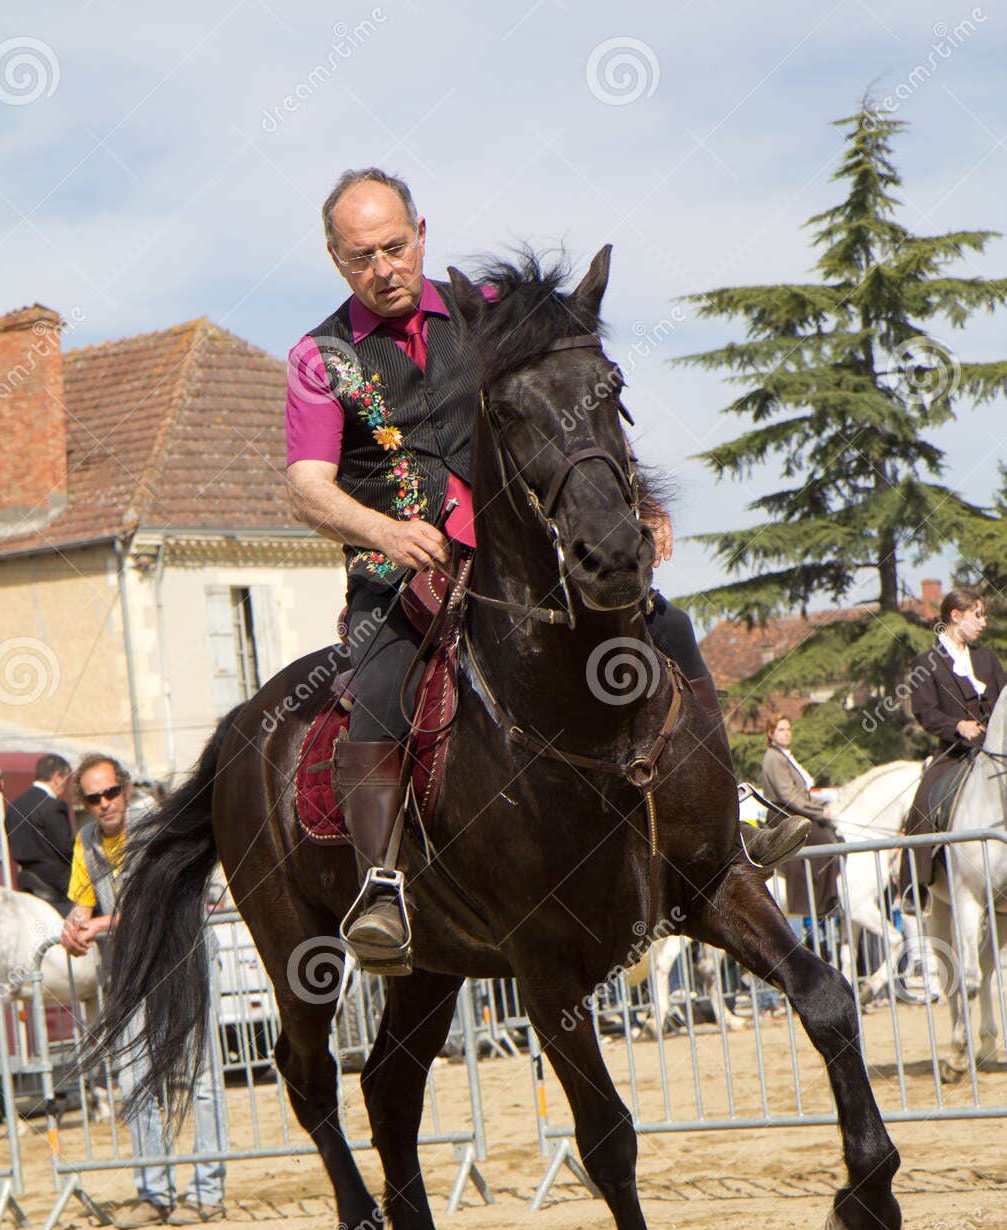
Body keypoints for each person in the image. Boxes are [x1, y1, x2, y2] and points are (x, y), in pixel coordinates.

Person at [286, 167, 807, 972]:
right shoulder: (317, 358)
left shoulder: (494, 319)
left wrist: (633, 497)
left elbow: (575, 395)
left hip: (525, 565)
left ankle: (731, 815)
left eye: (394, 246)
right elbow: (306, 489)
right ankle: (381, 885)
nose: (383, 267)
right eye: (361, 257)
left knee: (664, 625)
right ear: (334, 258)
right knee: (382, 690)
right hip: (400, 581)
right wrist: (385, 534)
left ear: (421, 234)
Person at [60, 753, 227, 1228]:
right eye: (93, 798)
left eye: (111, 792)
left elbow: (157, 903)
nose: (105, 803)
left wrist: (98, 924)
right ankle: (153, 1193)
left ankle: (207, 1192)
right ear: (84, 803)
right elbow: (81, 904)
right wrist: (73, 928)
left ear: (126, 788)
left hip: (184, 956)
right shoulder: (86, 842)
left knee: (203, 1079)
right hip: (134, 968)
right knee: (134, 1080)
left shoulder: (154, 830)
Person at [900, 586, 1006, 909]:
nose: (983, 623)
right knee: (924, 799)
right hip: (955, 752)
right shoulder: (927, 663)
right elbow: (925, 712)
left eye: (984, 615)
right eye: (978, 615)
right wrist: (957, 726)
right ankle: (913, 887)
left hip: (995, 749)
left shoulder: (986, 658)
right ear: (955, 616)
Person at [760, 716, 839, 920]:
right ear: (771, 734)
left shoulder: (785, 756)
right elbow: (789, 796)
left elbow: (802, 794)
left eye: (788, 728)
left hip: (797, 811)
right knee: (824, 840)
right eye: (781, 729)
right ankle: (824, 903)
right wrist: (818, 812)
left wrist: (820, 806)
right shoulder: (774, 758)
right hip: (784, 815)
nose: (786, 733)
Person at [4, 753, 74, 913]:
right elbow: (66, 847)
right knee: (97, 892)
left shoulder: (14, 806)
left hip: (27, 875)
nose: (65, 787)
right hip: (57, 877)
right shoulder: (52, 806)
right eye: (66, 780)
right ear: (57, 777)